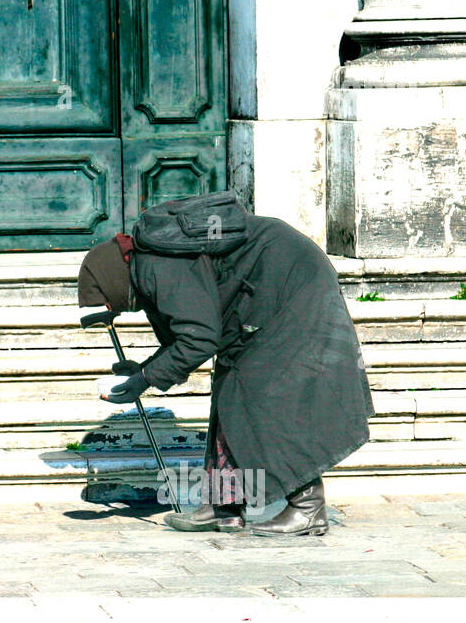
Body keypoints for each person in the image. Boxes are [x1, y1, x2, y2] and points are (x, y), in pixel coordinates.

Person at [76, 191, 374, 535]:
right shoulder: (151, 262)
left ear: (113, 281)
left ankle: (307, 506)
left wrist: (145, 378)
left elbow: (199, 339)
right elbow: (189, 336)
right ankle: (224, 506)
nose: (120, 310)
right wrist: (143, 370)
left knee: (262, 393)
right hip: (268, 285)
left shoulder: (157, 266)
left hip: (292, 284)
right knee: (230, 388)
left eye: (113, 307)